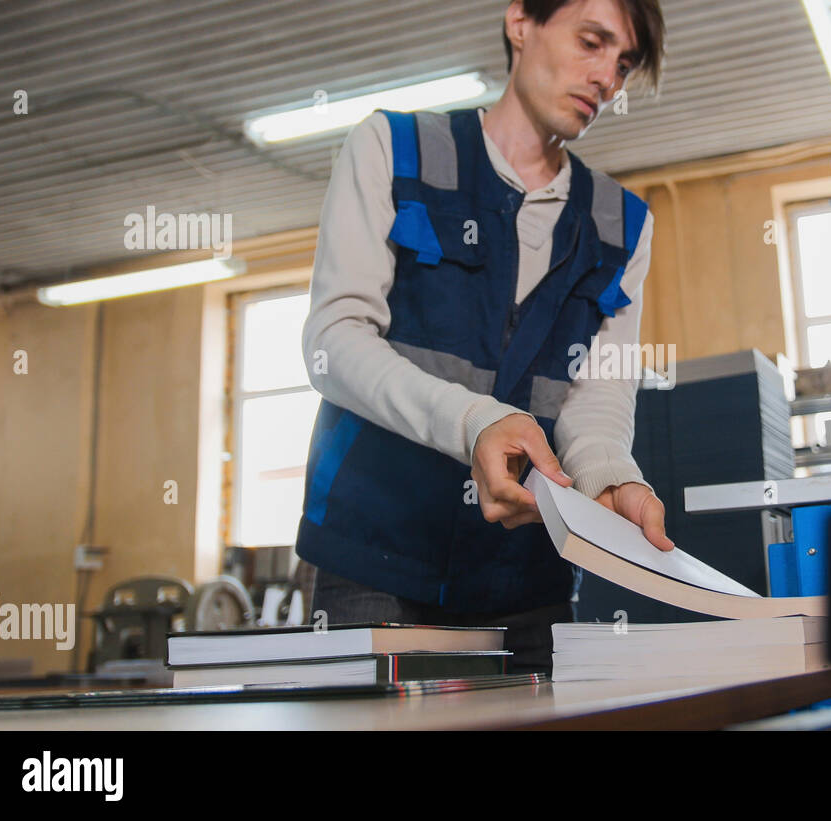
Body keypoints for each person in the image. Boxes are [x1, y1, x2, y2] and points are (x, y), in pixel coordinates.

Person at [296, 0, 671, 675]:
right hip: (372, 560)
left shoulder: (623, 225)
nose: (606, 78)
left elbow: (598, 400)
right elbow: (334, 340)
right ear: (520, 21)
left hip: (525, 583)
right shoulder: (393, 148)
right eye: (592, 42)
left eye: (624, 63)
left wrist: (610, 476)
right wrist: (476, 422)